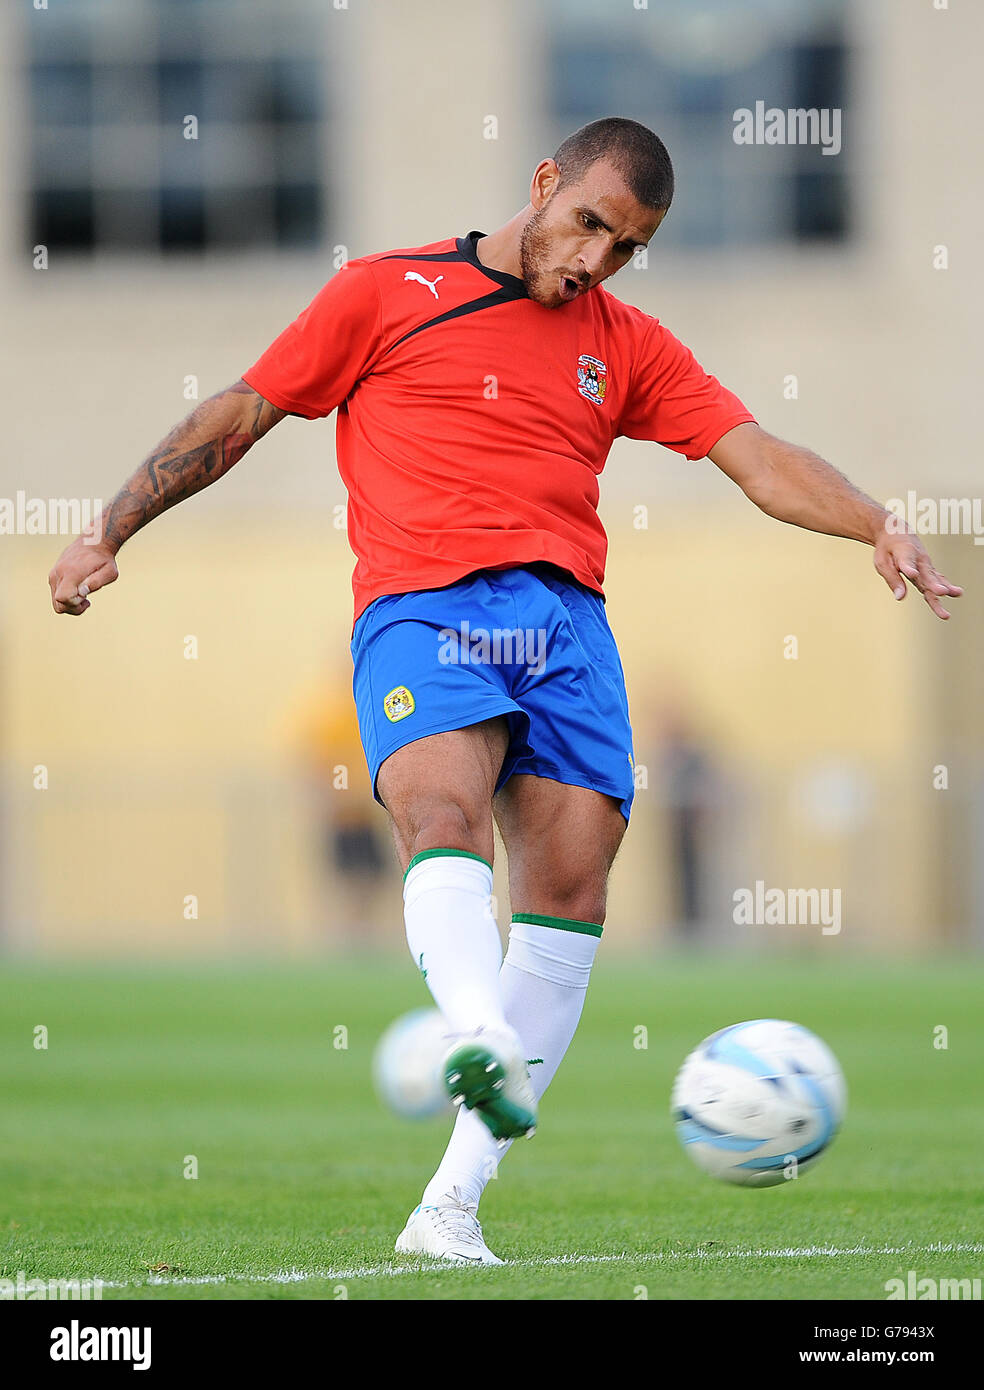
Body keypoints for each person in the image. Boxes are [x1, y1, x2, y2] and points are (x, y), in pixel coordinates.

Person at [48, 117, 961, 1266]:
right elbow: (241, 412)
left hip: (566, 623)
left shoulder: (626, 343)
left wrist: (878, 520)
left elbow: (757, 455)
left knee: (570, 897)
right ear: (544, 182)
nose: (595, 261)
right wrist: (108, 528)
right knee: (438, 813)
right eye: (589, 223)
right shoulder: (384, 293)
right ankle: (473, 1028)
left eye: (626, 247)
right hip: (426, 605)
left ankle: (448, 1210)